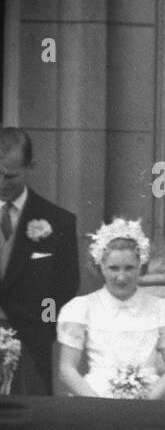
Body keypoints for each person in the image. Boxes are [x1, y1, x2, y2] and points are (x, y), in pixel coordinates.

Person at [55, 219, 165, 400]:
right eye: (113, 268)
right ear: (100, 266)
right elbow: (67, 368)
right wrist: (97, 404)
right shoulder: (81, 308)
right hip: (97, 397)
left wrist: (149, 402)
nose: (121, 277)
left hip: (151, 398)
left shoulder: (162, 309)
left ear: (141, 265)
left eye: (129, 268)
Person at [0, 127, 81, 394]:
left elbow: (65, 286)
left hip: (30, 347)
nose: (1, 182)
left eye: (10, 175)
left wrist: (42, 327)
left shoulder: (58, 221)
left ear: (30, 167)